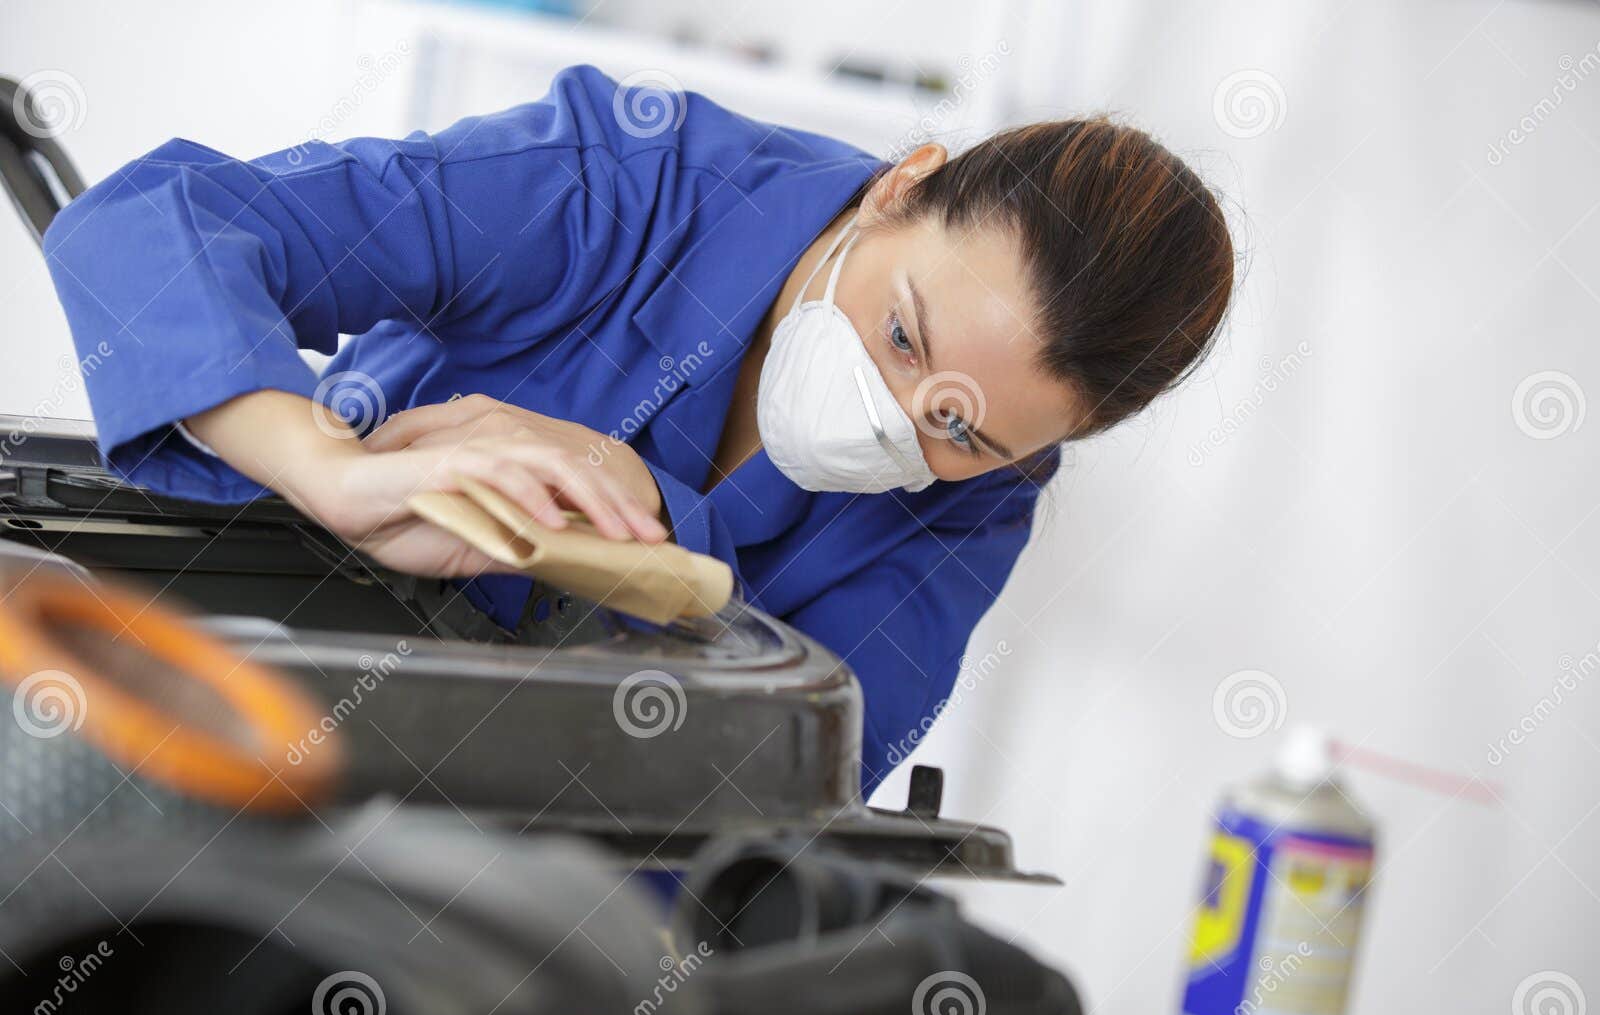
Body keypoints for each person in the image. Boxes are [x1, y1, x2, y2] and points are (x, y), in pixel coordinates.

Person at [43, 65, 1234, 794]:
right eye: (903, 333)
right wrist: (328, 469)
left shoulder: (981, 497)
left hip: (520, 857)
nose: (891, 410)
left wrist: (666, 541)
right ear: (899, 185)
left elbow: (794, 773)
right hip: (244, 667)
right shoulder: (631, 177)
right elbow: (157, 220)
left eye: (959, 429)